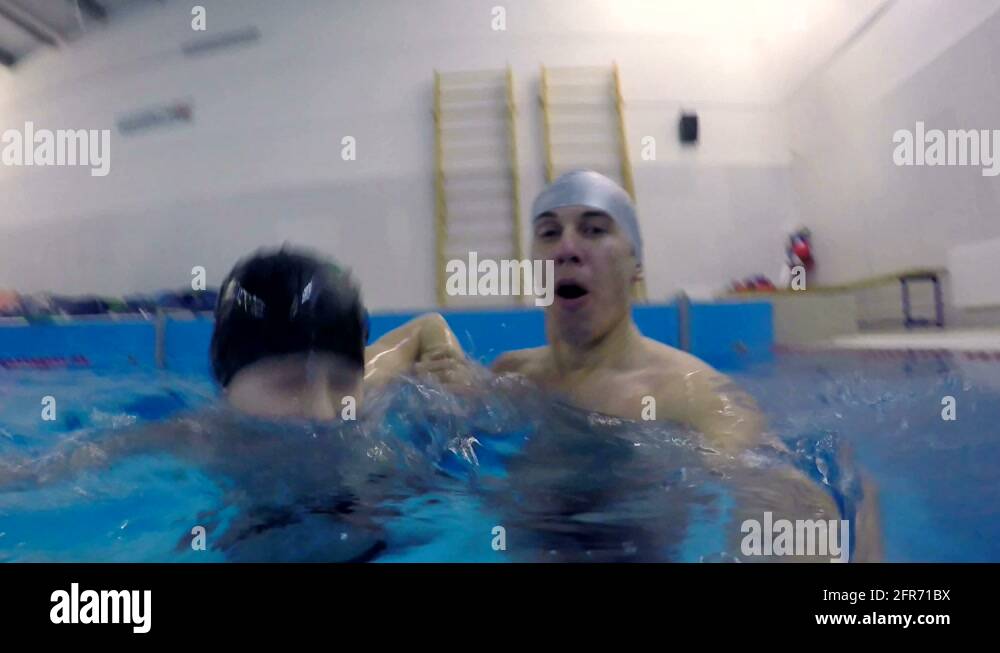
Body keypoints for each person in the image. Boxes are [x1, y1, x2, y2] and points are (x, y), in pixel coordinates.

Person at [488, 170, 881, 561]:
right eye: (549, 232)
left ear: (635, 264)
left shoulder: (694, 396)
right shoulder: (512, 374)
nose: (567, 248)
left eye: (594, 230)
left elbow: (777, 491)